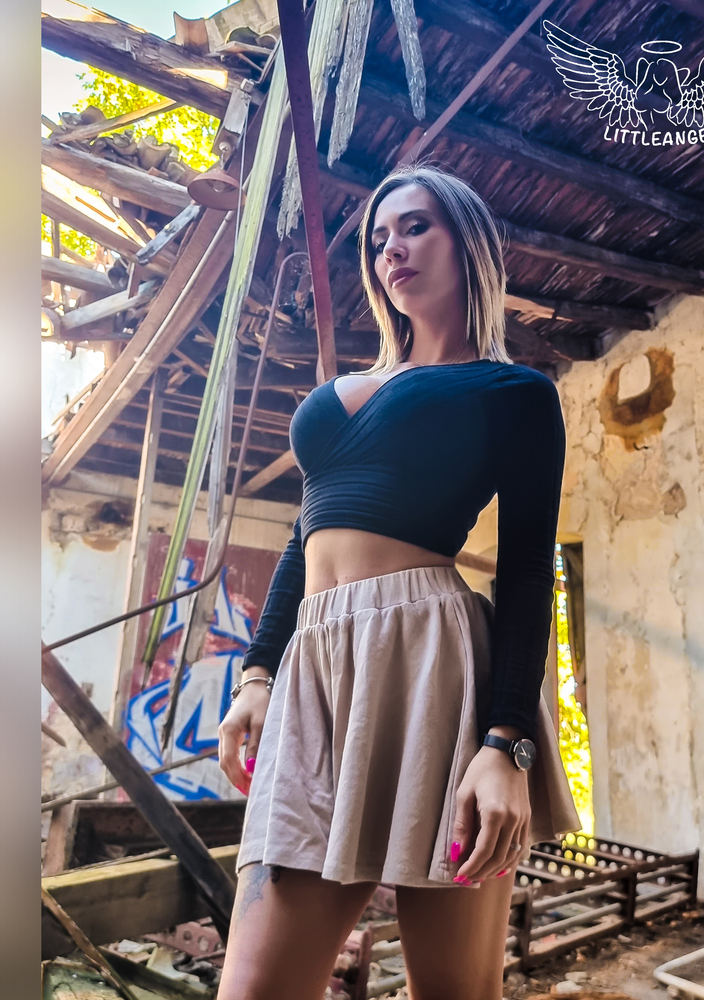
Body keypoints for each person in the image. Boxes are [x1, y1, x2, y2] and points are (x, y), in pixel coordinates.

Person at [215, 164, 579, 1000]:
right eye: (379, 238)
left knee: (454, 992)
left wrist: (507, 745)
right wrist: (258, 673)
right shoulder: (342, 390)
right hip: (315, 670)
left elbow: (528, 570)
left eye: (415, 227)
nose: (392, 250)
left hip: (432, 664)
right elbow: (306, 538)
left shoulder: (515, 393)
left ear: (467, 242)